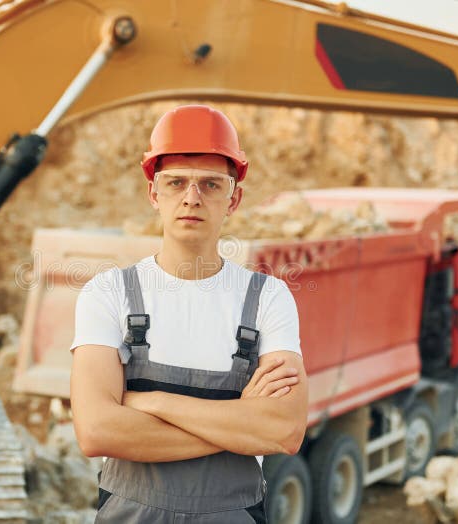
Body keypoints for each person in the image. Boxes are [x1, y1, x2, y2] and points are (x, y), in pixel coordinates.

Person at [69, 104, 308, 523]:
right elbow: (96, 431)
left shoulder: (269, 297)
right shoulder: (109, 293)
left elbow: (283, 431)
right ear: (153, 194)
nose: (191, 198)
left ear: (234, 198)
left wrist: (150, 401)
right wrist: (240, 424)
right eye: (176, 182)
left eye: (210, 185)